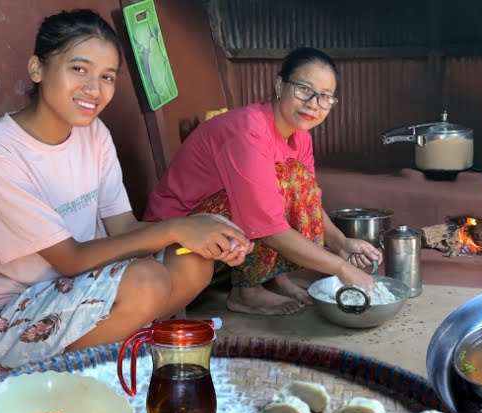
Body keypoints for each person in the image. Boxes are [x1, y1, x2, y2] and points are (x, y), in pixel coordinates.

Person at [0, 9, 247, 378]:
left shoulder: (93, 134)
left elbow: (123, 226)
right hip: (2, 322)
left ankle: (117, 346)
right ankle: (78, 373)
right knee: (147, 281)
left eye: (107, 77)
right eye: (79, 69)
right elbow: (70, 259)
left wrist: (204, 236)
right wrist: (178, 228)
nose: (94, 89)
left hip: (79, 290)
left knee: (192, 260)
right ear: (37, 69)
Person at [145, 47, 381, 316]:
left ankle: (274, 278)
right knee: (280, 181)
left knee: (296, 181)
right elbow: (267, 226)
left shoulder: (300, 135)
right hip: (176, 238)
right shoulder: (249, 131)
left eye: (325, 97)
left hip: (223, 236)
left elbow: (309, 201)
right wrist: (342, 268)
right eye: (304, 89)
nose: (314, 103)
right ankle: (247, 291)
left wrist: (341, 243)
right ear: (281, 86)